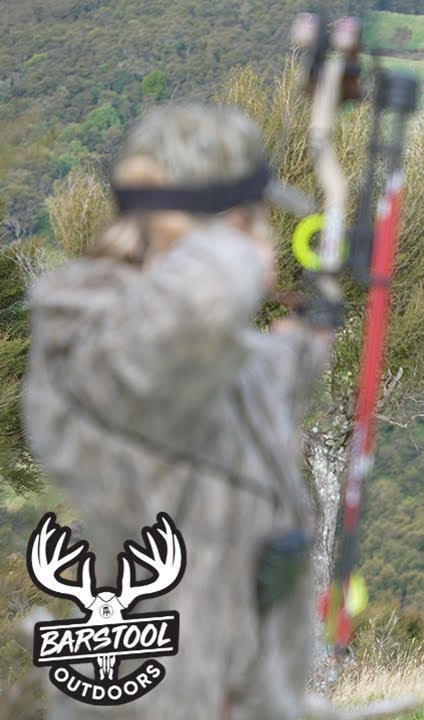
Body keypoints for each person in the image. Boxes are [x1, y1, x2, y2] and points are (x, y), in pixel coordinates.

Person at [22, 103, 339, 719]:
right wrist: (226, 243)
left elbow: (244, 385)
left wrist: (305, 342)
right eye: (254, 221)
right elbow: (193, 318)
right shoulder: (96, 350)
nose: (265, 240)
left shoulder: (187, 357)